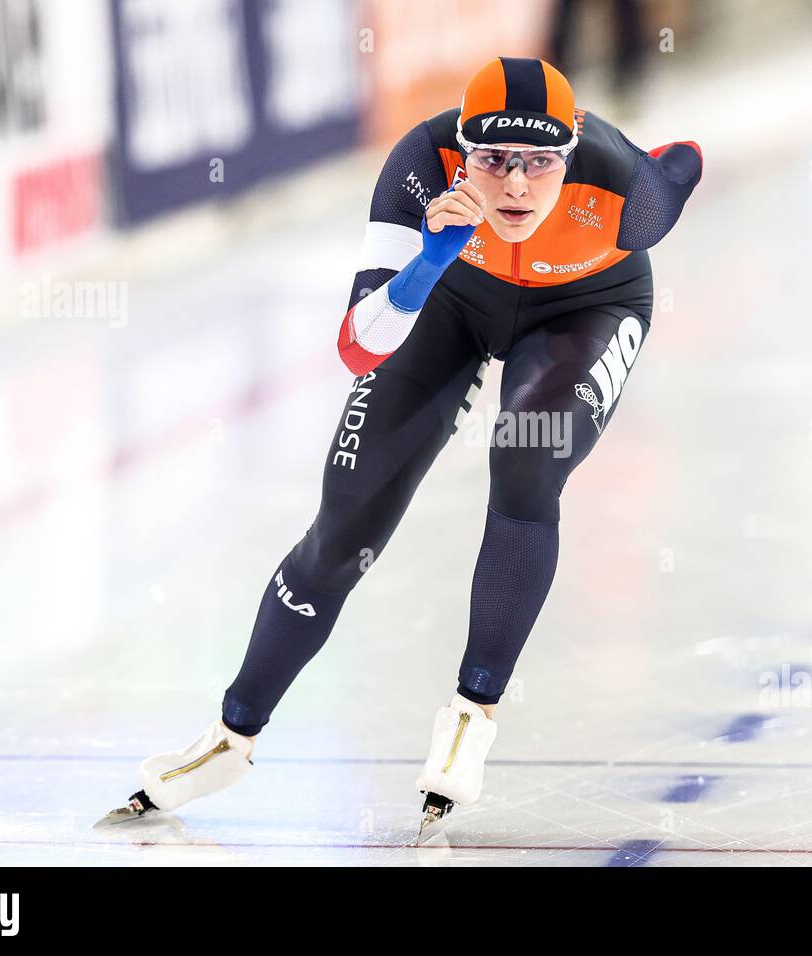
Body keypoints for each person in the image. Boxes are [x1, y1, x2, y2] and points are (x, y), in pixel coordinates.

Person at [98, 57, 702, 835]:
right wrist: (430, 260)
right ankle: (231, 733)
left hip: (583, 311)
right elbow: (359, 349)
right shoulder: (419, 167)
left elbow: (682, 162)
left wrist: (666, 161)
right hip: (449, 298)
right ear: (460, 147)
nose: (515, 186)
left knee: (526, 458)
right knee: (344, 524)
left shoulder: (625, 192)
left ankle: (471, 712)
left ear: (574, 146)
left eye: (541, 162)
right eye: (492, 160)